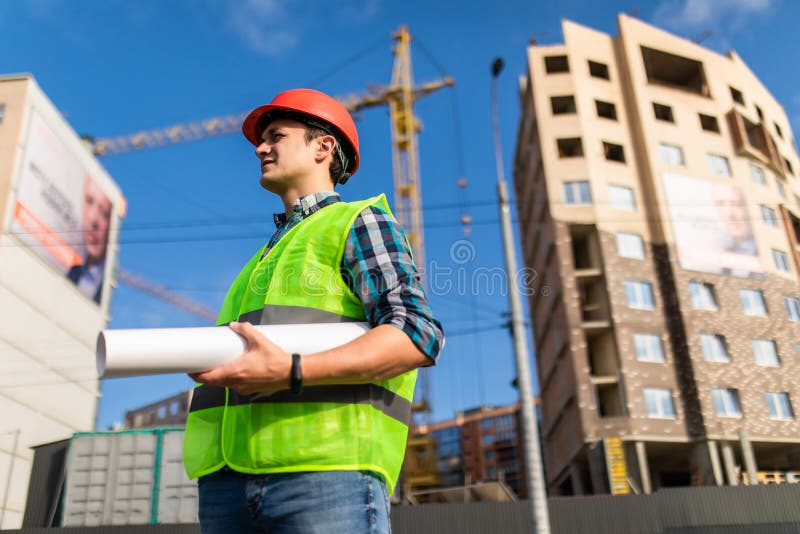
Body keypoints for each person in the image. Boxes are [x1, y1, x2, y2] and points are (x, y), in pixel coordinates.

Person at [183, 88, 444, 533]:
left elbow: (416, 333)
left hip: (327, 476)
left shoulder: (358, 221)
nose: (260, 148)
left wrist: (292, 370)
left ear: (323, 147)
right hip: (226, 483)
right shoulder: (259, 261)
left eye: (276, 136)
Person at [67, 176, 112, 304]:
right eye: (89, 201)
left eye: (104, 212)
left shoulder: (104, 290)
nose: (94, 220)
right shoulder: (72, 271)